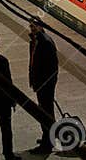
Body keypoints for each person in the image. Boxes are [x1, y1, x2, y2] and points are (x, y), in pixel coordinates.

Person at [28, 18, 59, 154]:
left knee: (45, 112)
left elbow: (52, 66)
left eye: (35, 26)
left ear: (41, 27)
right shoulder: (36, 41)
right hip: (40, 83)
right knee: (45, 111)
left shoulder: (45, 42)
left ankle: (47, 142)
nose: (32, 28)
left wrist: (45, 84)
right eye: (31, 26)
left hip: (45, 84)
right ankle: (48, 137)